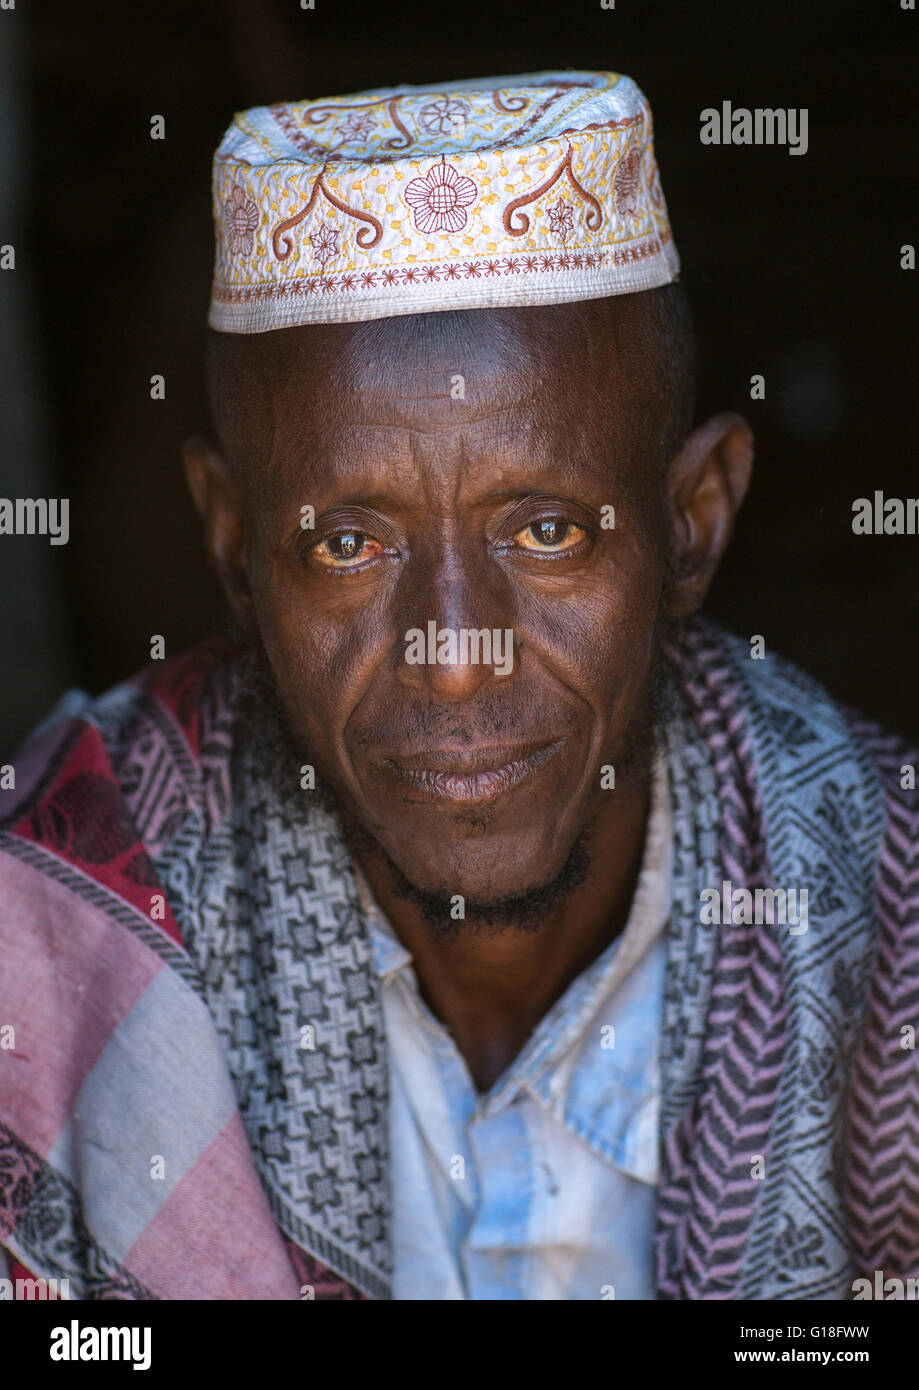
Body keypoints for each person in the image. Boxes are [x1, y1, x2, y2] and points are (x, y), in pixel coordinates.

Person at [0, 70, 916, 1302]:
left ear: (692, 525)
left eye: (545, 533)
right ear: (231, 550)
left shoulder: (885, 897)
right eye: (346, 545)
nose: (452, 652)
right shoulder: (44, 943)